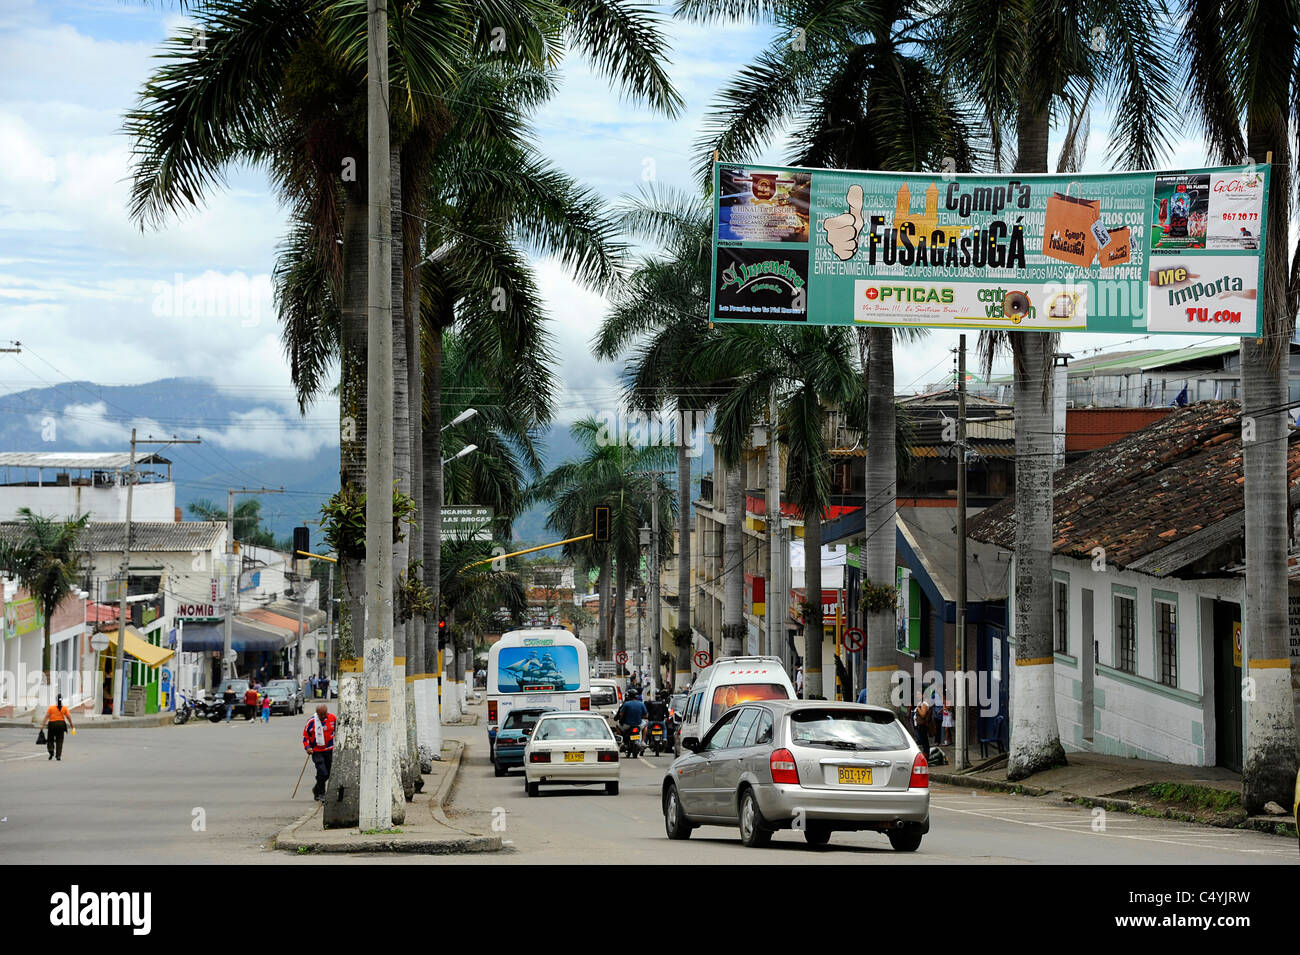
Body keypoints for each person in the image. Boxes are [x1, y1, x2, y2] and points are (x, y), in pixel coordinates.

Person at [303, 704, 338, 801]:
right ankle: (322, 793)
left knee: (328, 773)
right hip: (317, 751)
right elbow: (305, 737)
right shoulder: (311, 722)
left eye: (325, 714)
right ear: (317, 713)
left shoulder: (332, 718)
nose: (323, 717)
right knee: (322, 771)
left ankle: (316, 789)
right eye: (321, 715)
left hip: (329, 750)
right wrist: (307, 747)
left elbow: (338, 731)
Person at [41, 694, 74, 761]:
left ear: (56, 700)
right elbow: (68, 717)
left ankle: (51, 751)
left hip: (52, 725)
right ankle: (58, 755)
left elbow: (46, 717)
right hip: (61, 725)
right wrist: (72, 726)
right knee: (60, 740)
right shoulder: (64, 708)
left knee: (50, 739)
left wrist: (42, 726)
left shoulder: (51, 708)